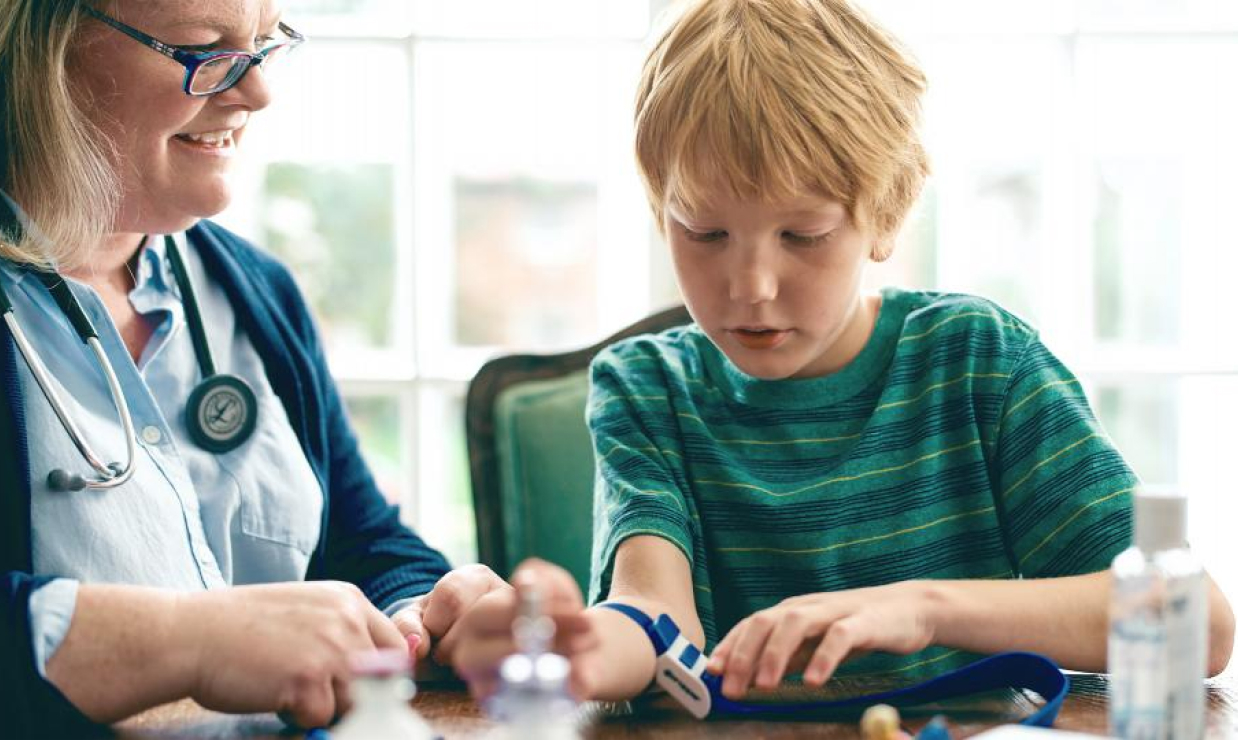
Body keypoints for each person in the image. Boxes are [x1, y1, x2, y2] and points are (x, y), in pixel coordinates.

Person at [450, 0, 1236, 704]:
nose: (750, 285)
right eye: (705, 232)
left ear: (885, 215)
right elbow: (655, 618)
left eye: (803, 235)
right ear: (661, 214)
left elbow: (1195, 623)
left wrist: (919, 606)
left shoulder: (979, 362)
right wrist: (577, 653)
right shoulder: (645, 387)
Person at [0, 1, 506, 735]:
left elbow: (362, 545)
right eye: (204, 49)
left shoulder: (256, 291)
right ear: (35, 57)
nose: (259, 91)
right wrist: (188, 640)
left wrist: (426, 610)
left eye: (265, 46)